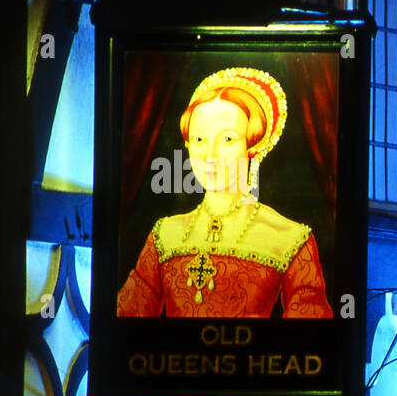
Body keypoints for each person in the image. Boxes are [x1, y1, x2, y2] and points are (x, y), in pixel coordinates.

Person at [116, 67, 333, 318]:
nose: (210, 155)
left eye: (227, 140)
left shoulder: (291, 239)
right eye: (199, 139)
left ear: (252, 145)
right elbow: (126, 322)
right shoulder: (163, 235)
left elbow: (311, 338)